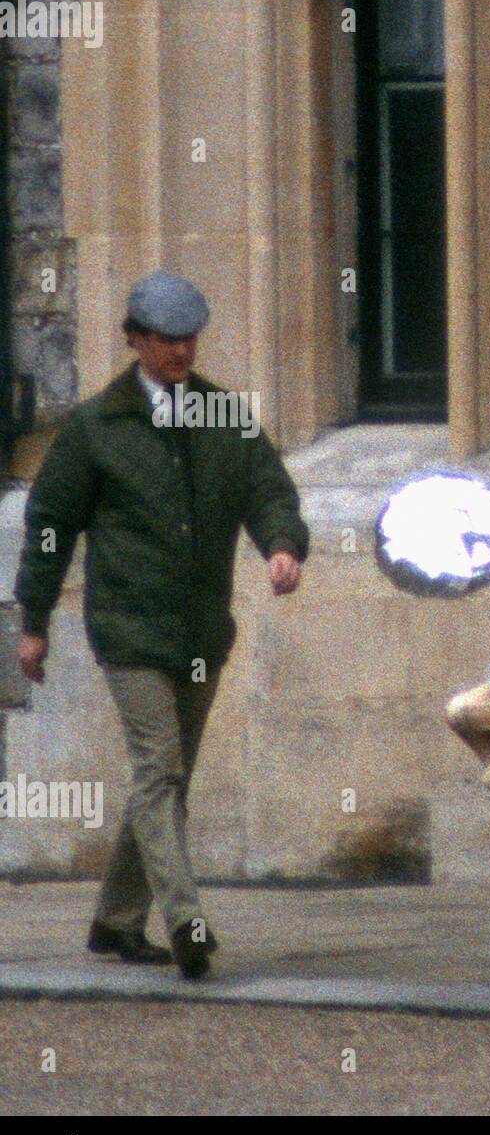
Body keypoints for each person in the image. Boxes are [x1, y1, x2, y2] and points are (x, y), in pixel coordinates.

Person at [14, 271, 309, 981]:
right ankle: (186, 918)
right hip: (127, 627)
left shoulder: (224, 414)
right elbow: (51, 524)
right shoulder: (95, 426)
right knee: (160, 766)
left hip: (202, 630)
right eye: (167, 338)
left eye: (189, 338)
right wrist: (34, 620)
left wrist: (281, 544)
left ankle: (116, 921)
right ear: (136, 340)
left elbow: (268, 486)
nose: (182, 350)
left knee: (166, 782)